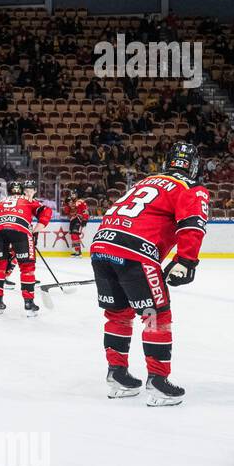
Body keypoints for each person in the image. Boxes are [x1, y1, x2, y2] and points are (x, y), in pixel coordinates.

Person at [90, 141, 210, 406]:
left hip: (101, 245)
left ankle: (117, 376)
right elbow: (192, 225)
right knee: (155, 315)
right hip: (136, 251)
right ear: (194, 166)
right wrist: (186, 261)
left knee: (118, 315)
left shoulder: (145, 182)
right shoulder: (191, 187)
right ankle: (157, 382)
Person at [0, 180, 52, 316]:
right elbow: (46, 211)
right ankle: (29, 304)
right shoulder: (28, 199)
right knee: (27, 267)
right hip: (20, 228)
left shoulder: (2, 200)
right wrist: (37, 228)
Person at [62, 190, 90, 257]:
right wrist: (66, 204)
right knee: (72, 236)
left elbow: (85, 210)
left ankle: (78, 251)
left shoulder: (81, 201)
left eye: (74, 194)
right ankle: (75, 251)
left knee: (75, 234)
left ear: (76, 195)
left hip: (78, 219)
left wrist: (85, 219)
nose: (72, 196)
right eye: (71, 195)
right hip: (72, 220)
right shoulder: (70, 202)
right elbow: (66, 212)